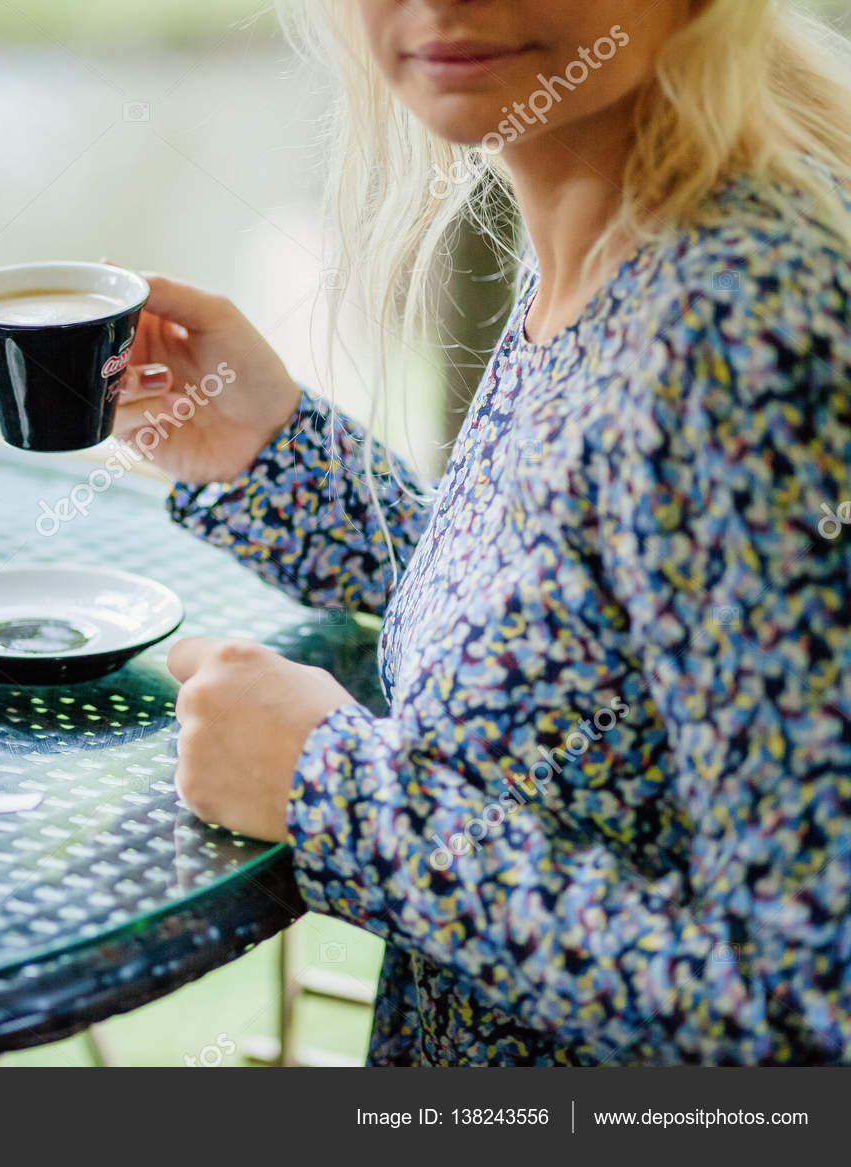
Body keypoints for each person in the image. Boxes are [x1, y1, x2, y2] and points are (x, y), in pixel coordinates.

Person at [114, 0, 851, 1064]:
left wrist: (336, 799)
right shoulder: (607, 231)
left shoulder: (740, 334)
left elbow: (805, 1015)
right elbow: (585, 639)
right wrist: (271, 454)